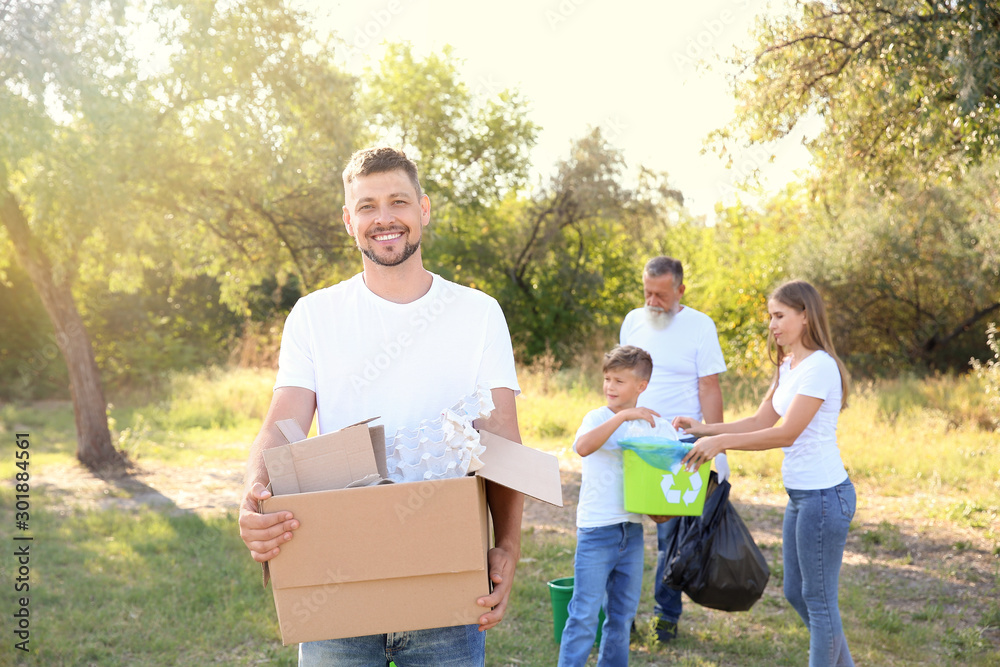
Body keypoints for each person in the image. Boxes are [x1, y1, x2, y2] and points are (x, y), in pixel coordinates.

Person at [237, 146, 525, 666]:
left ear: (424, 209)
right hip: (335, 577)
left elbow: (501, 438)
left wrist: (507, 545)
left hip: (448, 579)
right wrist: (251, 497)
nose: (384, 218)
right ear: (349, 221)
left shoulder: (478, 313)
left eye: (398, 201)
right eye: (367, 206)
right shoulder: (314, 315)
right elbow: (283, 424)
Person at [675, 280, 855, 667]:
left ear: (805, 316)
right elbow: (760, 419)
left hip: (825, 496)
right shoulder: (788, 366)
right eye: (769, 317)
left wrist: (720, 446)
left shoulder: (820, 367)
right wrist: (703, 429)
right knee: (795, 592)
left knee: (820, 603)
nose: (772, 325)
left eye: (779, 316)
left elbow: (785, 432)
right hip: (803, 496)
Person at [618, 255, 727, 643]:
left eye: (661, 295)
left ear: (680, 290)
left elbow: (709, 387)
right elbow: (620, 376)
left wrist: (716, 443)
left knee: (671, 538)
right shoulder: (633, 320)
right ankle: (621, 618)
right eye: (647, 292)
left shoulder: (700, 326)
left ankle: (666, 616)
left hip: (680, 447)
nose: (652, 301)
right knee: (622, 531)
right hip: (634, 442)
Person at [558, 345, 659, 667]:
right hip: (596, 532)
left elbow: (662, 478)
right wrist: (625, 415)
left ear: (641, 386)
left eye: (618, 381)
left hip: (631, 532)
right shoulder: (597, 417)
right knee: (584, 613)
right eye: (607, 379)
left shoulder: (650, 425)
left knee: (621, 616)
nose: (609, 387)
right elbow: (584, 447)